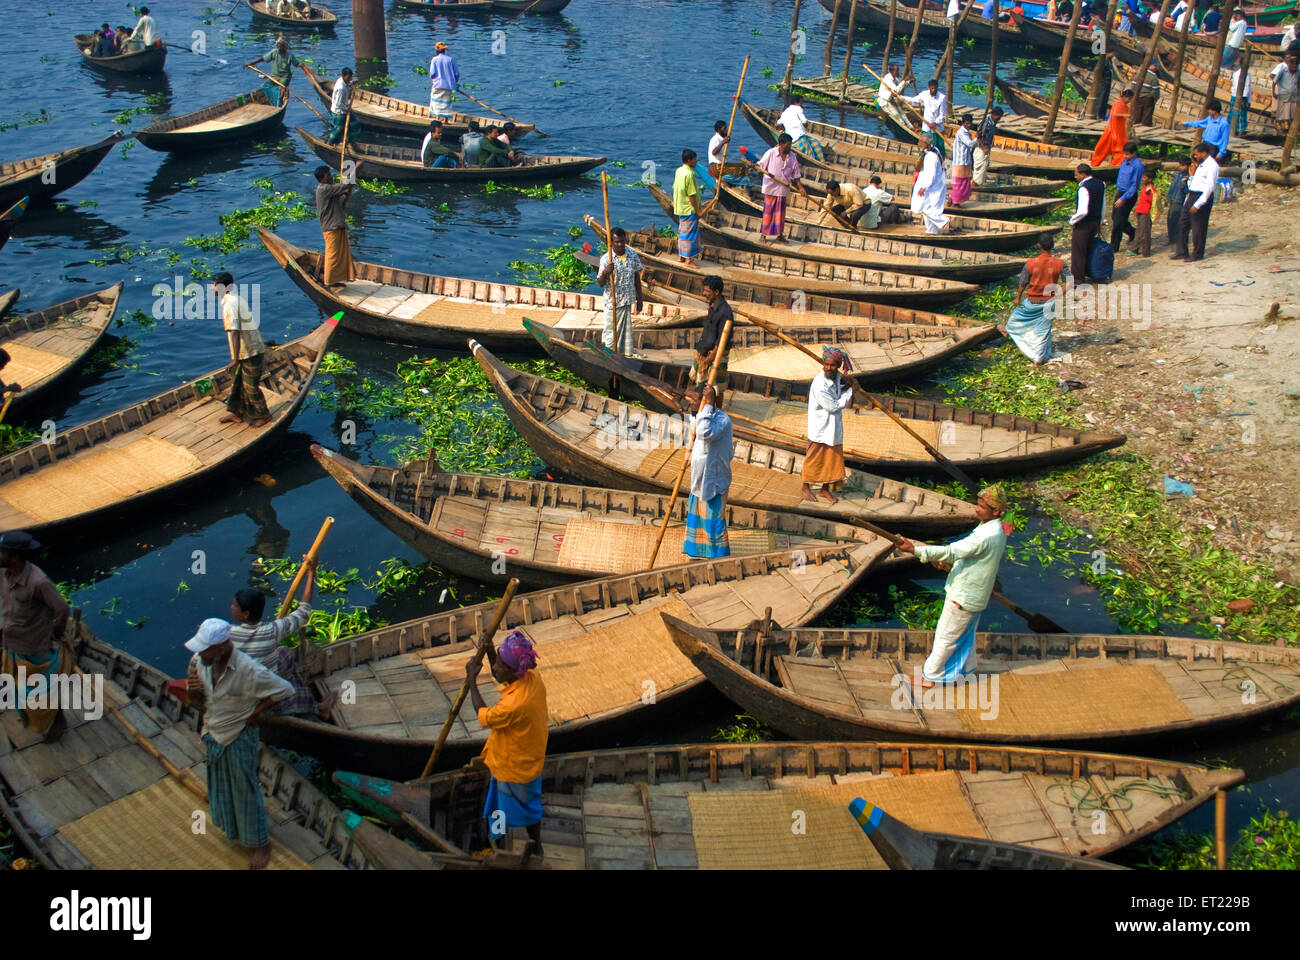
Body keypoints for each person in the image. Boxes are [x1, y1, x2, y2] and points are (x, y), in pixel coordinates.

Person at [184, 619, 293, 869]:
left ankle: (262, 844)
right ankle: (235, 829)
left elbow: (284, 690)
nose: (200, 653)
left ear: (221, 649)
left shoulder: (248, 670)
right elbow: (199, 704)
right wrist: (193, 692)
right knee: (221, 786)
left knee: (246, 790)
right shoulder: (201, 663)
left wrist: (255, 714)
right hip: (213, 732)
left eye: (205, 649)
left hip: (238, 737)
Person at [895, 487, 1010, 689]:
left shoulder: (986, 535)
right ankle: (964, 670)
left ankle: (930, 677)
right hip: (975, 595)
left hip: (964, 595)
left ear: (996, 512)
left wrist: (914, 549)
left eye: (982, 507)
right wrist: (948, 562)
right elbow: (971, 557)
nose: (977, 510)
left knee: (946, 636)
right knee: (965, 634)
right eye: (978, 505)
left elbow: (952, 551)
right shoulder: (996, 530)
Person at [466, 631, 547, 863]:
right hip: (529, 759)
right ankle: (536, 846)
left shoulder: (513, 706)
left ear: (512, 671)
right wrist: (490, 649)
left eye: (500, 663)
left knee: (501, 809)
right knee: (530, 807)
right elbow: (499, 672)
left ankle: (500, 848)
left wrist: (471, 679)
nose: (495, 668)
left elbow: (483, 714)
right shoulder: (532, 679)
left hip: (511, 768)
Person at [227, 563, 334, 721]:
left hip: (246, 691)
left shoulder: (229, 635)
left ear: (245, 614)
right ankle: (315, 707)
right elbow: (304, 611)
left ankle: (310, 705)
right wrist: (311, 573)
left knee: (283, 653)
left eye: (235, 605)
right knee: (284, 657)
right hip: (257, 692)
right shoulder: (271, 630)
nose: (231, 607)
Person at [0, 531, 71, 743]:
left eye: (1, 552)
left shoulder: (38, 582)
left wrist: (56, 634)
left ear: (15, 556)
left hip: (34, 646)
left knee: (43, 692)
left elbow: (62, 610)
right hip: (10, 641)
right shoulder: (3, 574)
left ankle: (59, 719)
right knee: (15, 682)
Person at [213, 272, 271, 429]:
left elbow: (235, 331)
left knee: (250, 386)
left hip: (250, 351)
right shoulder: (234, 299)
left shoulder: (230, 304)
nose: (212, 288)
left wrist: (235, 358)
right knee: (238, 382)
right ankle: (237, 413)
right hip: (247, 348)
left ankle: (263, 415)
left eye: (214, 284)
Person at [682, 384, 734, 559]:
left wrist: (709, 404)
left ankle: (718, 556)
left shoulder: (721, 419)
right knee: (699, 517)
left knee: (714, 520)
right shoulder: (702, 417)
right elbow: (695, 430)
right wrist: (695, 413)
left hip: (714, 479)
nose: (693, 403)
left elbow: (704, 432)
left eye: (697, 400)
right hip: (699, 477)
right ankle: (698, 553)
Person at [1000, 234, 1068, 365]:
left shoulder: (1031, 263)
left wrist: (1018, 297)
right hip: (1049, 302)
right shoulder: (1060, 263)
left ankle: (1036, 357)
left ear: (1038, 246)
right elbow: (1070, 281)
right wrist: (1059, 294)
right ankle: (1038, 359)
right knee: (1043, 332)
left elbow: (1023, 282)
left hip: (1032, 301)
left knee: (1012, 323)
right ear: (1052, 246)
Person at [801, 347, 854, 505]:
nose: (828, 368)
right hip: (820, 428)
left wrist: (848, 385)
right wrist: (850, 391)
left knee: (832, 461)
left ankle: (825, 489)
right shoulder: (820, 384)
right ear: (823, 364)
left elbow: (838, 388)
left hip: (833, 428)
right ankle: (805, 487)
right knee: (813, 460)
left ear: (838, 366)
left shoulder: (836, 375)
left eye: (832, 365)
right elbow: (832, 406)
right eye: (826, 364)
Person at [597, 227, 643, 356]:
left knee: (624, 335)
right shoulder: (606, 259)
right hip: (612, 302)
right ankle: (607, 356)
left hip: (627, 300)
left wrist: (640, 300)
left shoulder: (632, 255)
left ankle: (621, 356)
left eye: (622, 241)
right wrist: (606, 273)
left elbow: (637, 278)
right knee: (610, 335)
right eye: (617, 242)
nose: (620, 245)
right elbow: (600, 283)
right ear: (611, 242)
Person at [755, 133, 807, 243]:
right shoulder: (771, 153)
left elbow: (796, 174)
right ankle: (763, 235)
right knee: (768, 213)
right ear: (781, 144)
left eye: (790, 145)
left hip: (783, 189)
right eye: (788, 145)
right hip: (771, 188)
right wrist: (755, 166)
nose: (790, 147)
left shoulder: (792, 156)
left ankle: (780, 235)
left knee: (780, 214)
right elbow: (761, 165)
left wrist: (801, 187)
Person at [1174, 141, 1219, 262]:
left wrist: (1198, 204)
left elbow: (1209, 187)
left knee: (1198, 228)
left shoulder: (1212, 166)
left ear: (1203, 153)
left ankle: (1197, 254)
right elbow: (1197, 181)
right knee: (1182, 224)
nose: (1195, 156)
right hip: (1192, 195)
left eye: (1197, 154)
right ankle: (1182, 251)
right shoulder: (1201, 164)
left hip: (1201, 196)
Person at [314, 165, 354, 289]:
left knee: (341, 254)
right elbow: (344, 186)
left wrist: (346, 194)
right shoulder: (323, 189)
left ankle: (335, 279)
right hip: (331, 227)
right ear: (322, 179)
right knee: (332, 254)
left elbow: (341, 196)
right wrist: (353, 169)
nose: (331, 177)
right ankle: (328, 282)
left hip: (337, 226)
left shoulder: (329, 190)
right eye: (328, 175)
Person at [691, 276, 733, 394]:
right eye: (704, 290)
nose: (704, 293)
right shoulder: (713, 305)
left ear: (716, 292)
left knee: (716, 389)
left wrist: (711, 357)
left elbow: (722, 340)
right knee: (702, 384)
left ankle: (717, 409)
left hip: (715, 354)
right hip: (704, 349)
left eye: (707, 291)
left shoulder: (725, 312)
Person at [1070, 162, 1104, 281]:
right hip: (1095, 221)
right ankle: (1091, 272)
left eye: (1076, 174)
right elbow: (1103, 204)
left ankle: (1078, 278)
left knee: (1078, 252)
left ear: (1083, 174)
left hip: (1084, 224)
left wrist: (1072, 221)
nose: (1075, 177)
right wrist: (1100, 220)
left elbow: (1083, 211)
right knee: (1089, 248)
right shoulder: (1101, 184)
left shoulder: (1084, 188)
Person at [911, 134, 950, 235]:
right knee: (929, 207)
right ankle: (932, 231)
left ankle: (943, 221)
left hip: (933, 186)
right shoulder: (934, 150)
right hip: (934, 184)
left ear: (925, 143)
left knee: (926, 208)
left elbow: (931, 174)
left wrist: (924, 187)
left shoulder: (930, 157)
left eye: (920, 141)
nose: (918, 143)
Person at [249, 36, 302, 106]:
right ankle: (272, 98)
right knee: (264, 86)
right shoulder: (274, 52)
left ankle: (278, 103)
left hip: (285, 77)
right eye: (278, 46)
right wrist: (251, 63)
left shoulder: (289, 55)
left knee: (281, 92)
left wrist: (302, 65)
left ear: (285, 47)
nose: (279, 48)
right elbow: (262, 58)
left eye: (281, 46)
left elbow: (297, 63)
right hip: (275, 76)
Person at [1110, 141, 1143, 251]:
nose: (1125, 156)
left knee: (1118, 221)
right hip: (1120, 191)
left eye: (1128, 154)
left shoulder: (1137, 166)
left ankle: (1114, 246)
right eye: (1125, 154)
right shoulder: (1124, 162)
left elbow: (1134, 185)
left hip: (1129, 195)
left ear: (1134, 153)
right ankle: (1132, 232)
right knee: (1115, 217)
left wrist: (1123, 199)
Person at [673, 149, 702, 267]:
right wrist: (697, 210)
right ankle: (688, 260)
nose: (696, 161)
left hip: (680, 207)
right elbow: (691, 195)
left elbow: (676, 187)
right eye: (695, 159)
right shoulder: (689, 174)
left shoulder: (679, 170)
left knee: (682, 232)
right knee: (690, 234)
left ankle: (681, 256)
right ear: (689, 160)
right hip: (689, 208)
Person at [1091, 88, 1133, 166]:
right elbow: (1115, 114)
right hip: (1114, 131)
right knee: (1108, 149)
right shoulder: (1119, 104)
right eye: (1128, 98)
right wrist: (1126, 115)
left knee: (1113, 149)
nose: (1128, 100)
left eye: (1130, 99)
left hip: (1117, 131)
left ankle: (1114, 164)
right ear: (1124, 97)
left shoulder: (1123, 105)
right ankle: (1096, 164)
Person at [778, 95, 823, 162]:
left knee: (814, 142)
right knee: (812, 146)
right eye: (802, 102)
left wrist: (784, 129)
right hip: (799, 137)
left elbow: (778, 123)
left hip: (792, 137)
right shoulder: (798, 109)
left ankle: (821, 161)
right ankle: (818, 161)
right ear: (797, 102)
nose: (803, 104)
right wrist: (806, 127)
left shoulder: (785, 112)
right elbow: (805, 122)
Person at [428, 41, 460, 119]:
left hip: (438, 84)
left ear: (437, 50)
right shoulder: (450, 60)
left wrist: (434, 80)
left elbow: (432, 73)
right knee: (446, 103)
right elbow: (456, 74)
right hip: (449, 85)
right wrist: (454, 82)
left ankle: (437, 118)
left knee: (436, 102)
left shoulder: (434, 59)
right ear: (444, 50)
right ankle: (445, 120)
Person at [951, 114, 977, 206]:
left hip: (966, 160)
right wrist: (977, 139)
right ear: (963, 123)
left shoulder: (967, 132)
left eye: (970, 124)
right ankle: (955, 202)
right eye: (967, 123)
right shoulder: (961, 133)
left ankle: (953, 199)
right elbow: (970, 144)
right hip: (960, 161)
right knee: (959, 182)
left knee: (965, 181)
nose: (969, 125)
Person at [1271, 50, 1299, 137]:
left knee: (1291, 115)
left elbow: (1299, 84)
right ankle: (1280, 132)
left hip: (1293, 97)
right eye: (1293, 66)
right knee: (1282, 114)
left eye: (1296, 66)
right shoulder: (1283, 70)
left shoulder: (1298, 72)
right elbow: (1274, 81)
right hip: (1283, 96)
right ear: (1289, 64)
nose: (1294, 68)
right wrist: (1273, 93)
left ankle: (1289, 132)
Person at [973, 106, 1002, 186]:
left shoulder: (993, 124)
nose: (998, 120)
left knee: (983, 169)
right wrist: (983, 148)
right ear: (994, 115)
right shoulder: (985, 122)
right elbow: (978, 136)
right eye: (998, 118)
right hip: (980, 149)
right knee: (979, 170)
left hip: (986, 149)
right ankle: (976, 186)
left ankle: (979, 184)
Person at [1126, 60, 1161, 126]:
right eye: (1155, 66)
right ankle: (1144, 127)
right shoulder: (1153, 78)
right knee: (1146, 117)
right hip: (1148, 99)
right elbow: (1155, 91)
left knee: (1137, 115)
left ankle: (1135, 126)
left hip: (1137, 97)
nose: (1157, 67)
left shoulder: (1139, 74)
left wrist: (1133, 95)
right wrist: (1155, 99)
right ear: (1151, 66)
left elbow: (1133, 85)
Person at [1131, 166, 1156, 257]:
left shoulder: (1151, 191)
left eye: (1145, 177)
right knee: (1139, 231)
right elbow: (1141, 201)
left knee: (1145, 233)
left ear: (1150, 179)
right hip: (1141, 212)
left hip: (1146, 213)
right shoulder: (1145, 188)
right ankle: (1135, 249)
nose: (1142, 179)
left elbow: (1151, 203)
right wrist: (1136, 210)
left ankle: (1145, 252)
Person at [1165, 155, 1191, 244]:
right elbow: (1172, 187)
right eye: (1180, 165)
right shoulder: (1177, 175)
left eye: (1182, 165)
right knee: (1170, 219)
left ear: (1188, 166)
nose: (1180, 167)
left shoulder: (1188, 178)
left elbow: (1187, 191)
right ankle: (1171, 237)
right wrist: (1168, 197)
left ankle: (1175, 238)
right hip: (1173, 198)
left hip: (1179, 201)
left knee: (1174, 219)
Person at [1228, 53, 1252, 138]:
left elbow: (1249, 88)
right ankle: (1238, 131)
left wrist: (1249, 100)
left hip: (1240, 96)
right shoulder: (1240, 74)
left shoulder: (1246, 74)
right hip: (1240, 96)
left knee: (1239, 114)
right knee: (1239, 114)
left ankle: (1237, 130)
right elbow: (1242, 87)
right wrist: (1243, 99)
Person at [326, 67, 353, 145]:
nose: (350, 79)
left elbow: (348, 83)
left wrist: (352, 83)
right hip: (339, 111)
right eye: (349, 77)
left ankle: (339, 141)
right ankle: (329, 143)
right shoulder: (341, 88)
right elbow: (338, 104)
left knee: (343, 127)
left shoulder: (341, 80)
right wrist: (346, 109)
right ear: (344, 76)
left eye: (351, 77)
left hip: (342, 109)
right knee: (338, 129)